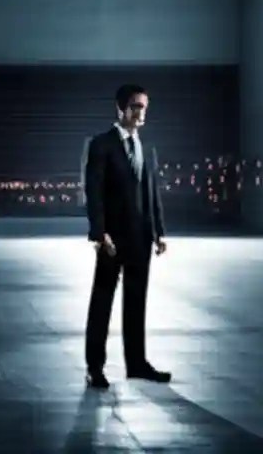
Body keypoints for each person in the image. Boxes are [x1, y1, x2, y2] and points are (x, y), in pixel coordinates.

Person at [82, 84, 171, 389]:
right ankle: (95, 367)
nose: (141, 112)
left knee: (136, 301)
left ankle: (137, 363)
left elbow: (152, 193)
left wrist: (159, 231)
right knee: (102, 301)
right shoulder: (101, 145)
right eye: (135, 106)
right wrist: (99, 232)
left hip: (141, 238)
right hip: (112, 239)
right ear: (120, 108)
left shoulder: (147, 146)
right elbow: (93, 192)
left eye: (144, 106)